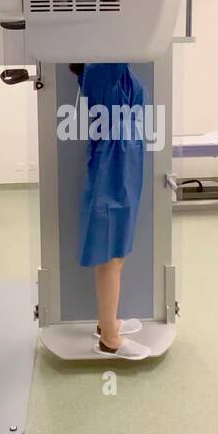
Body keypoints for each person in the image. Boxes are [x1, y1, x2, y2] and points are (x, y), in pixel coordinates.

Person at [73, 63, 150, 360]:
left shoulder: (117, 70)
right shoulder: (100, 68)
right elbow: (124, 31)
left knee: (118, 252)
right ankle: (109, 339)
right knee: (110, 256)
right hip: (111, 171)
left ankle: (108, 321)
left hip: (126, 167)